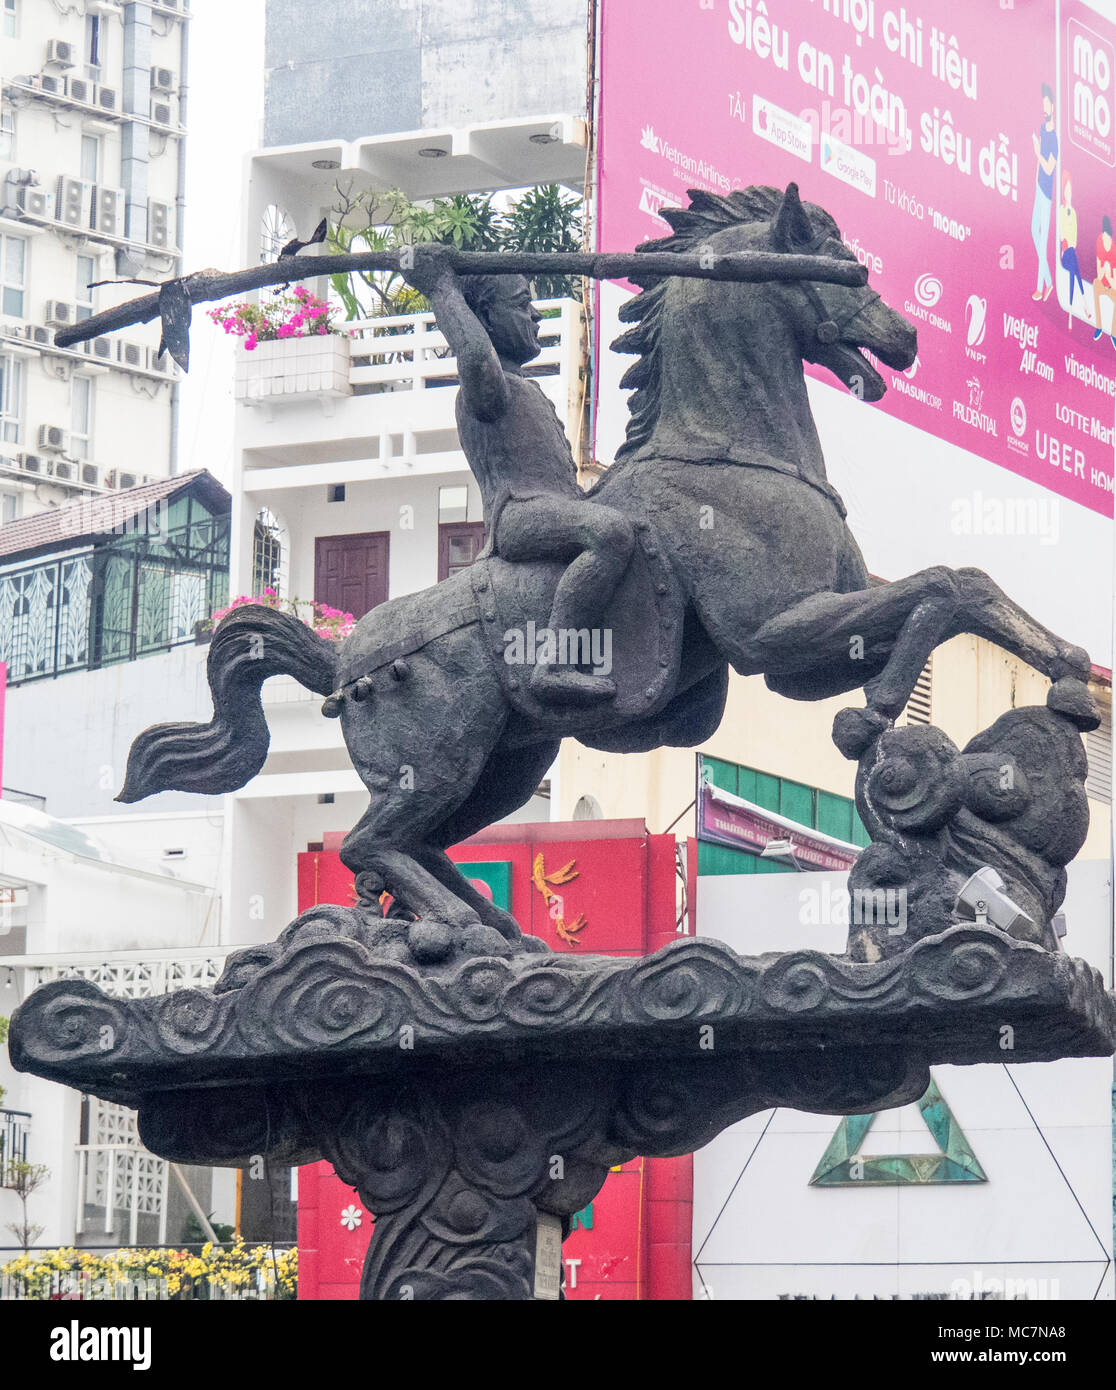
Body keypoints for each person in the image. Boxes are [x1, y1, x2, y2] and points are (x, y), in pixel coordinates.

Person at [405, 245, 634, 705]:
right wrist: (440, 287)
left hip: (556, 507)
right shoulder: (485, 390)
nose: (536, 317)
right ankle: (555, 663)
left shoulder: (524, 389)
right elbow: (473, 356)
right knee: (609, 534)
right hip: (520, 518)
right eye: (521, 304)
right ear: (485, 318)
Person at [1031, 83, 1059, 302]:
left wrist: (1037, 153)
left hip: (1048, 192)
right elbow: (1041, 168)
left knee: (1043, 238)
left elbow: (1049, 167)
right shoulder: (1042, 129)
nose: (1044, 108)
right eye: (1043, 104)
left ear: (1053, 107)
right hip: (1038, 187)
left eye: (1047, 104)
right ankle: (1048, 282)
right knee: (1033, 230)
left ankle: (1042, 287)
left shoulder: (1055, 139)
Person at [1057, 171, 1086, 328]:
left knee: (1075, 271)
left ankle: (1071, 313)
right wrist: (1066, 242)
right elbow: (1061, 234)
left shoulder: (1073, 212)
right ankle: (1083, 304)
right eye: (1066, 190)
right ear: (1063, 192)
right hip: (1064, 251)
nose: (1068, 193)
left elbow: (1074, 236)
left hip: (1071, 250)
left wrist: (1071, 243)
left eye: (1070, 190)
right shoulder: (1061, 210)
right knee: (1074, 268)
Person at [1092, 215, 1116, 349]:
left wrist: (1108, 273)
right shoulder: (1099, 241)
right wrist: (1104, 272)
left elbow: (1115, 285)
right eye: (1104, 237)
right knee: (1095, 284)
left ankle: (1114, 334)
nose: (1106, 240)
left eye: (1108, 238)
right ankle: (1099, 327)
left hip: (1111, 287)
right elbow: (1098, 274)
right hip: (1101, 283)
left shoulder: (1114, 251)